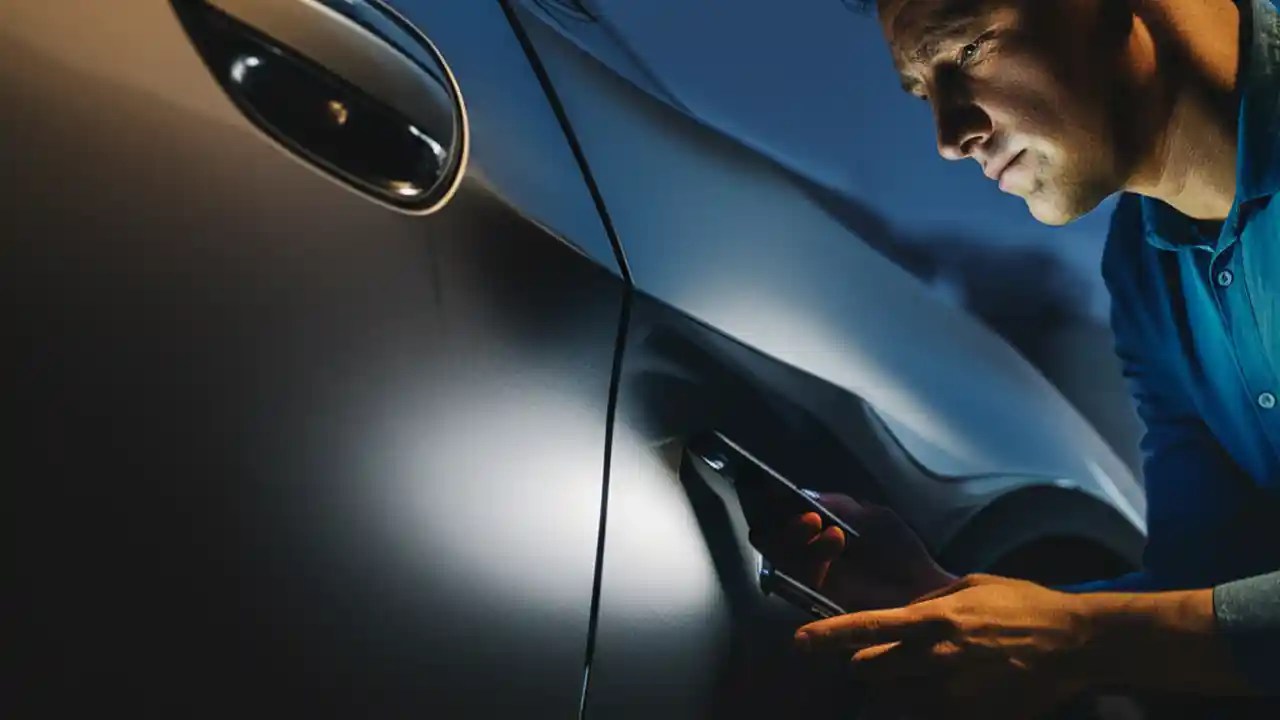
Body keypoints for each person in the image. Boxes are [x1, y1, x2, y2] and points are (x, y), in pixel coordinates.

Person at [759, 0, 1280, 715]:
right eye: (924, 92)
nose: (949, 136)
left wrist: (1077, 638)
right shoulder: (1144, 271)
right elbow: (1205, 589)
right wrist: (946, 608)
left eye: (967, 51)